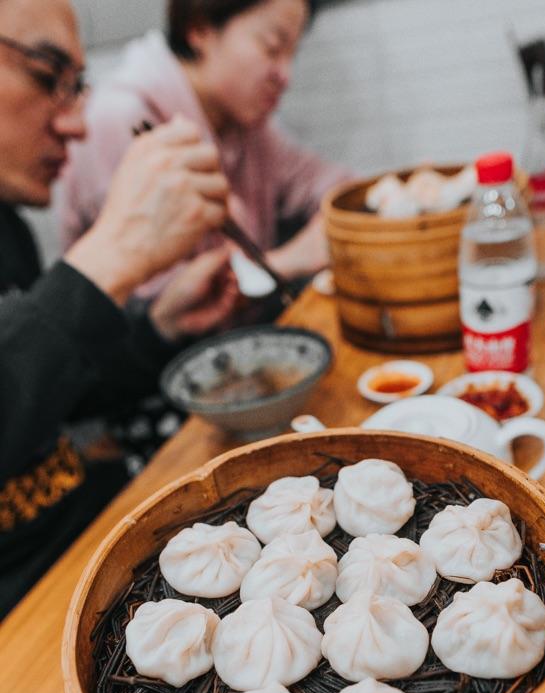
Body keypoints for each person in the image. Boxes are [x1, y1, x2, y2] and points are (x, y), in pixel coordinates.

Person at [0, 0, 238, 619]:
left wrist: (158, 329)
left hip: (94, 544)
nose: (77, 126)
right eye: (48, 75)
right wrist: (113, 254)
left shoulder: (10, 231)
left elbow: (47, 400)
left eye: (77, 87)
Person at [59, 0, 351, 292]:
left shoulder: (244, 122)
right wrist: (288, 260)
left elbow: (327, 183)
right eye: (272, 48)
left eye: (292, 54)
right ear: (200, 30)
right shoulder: (119, 118)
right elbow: (149, 299)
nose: (285, 76)